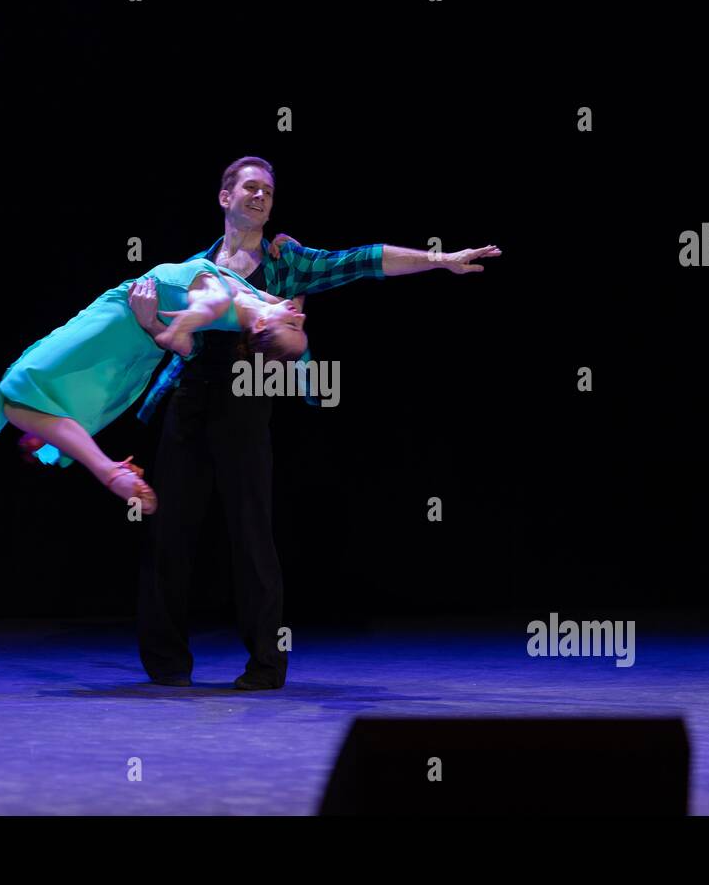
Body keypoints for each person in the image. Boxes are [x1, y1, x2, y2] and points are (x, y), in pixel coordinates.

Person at [136, 155, 498, 689]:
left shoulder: (287, 262)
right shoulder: (192, 269)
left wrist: (440, 259)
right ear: (225, 197)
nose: (261, 196)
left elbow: (365, 260)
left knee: (251, 533)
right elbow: (144, 331)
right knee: (171, 531)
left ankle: (266, 663)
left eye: (268, 191)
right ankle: (166, 663)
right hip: (189, 401)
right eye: (250, 187)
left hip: (245, 400)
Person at [0, 257, 308, 513]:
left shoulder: (225, 303)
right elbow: (294, 294)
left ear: (262, 326)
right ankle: (69, 449)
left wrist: (170, 328)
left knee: (18, 388)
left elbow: (205, 311)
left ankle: (109, 472)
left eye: (293, 324)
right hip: (136, 346)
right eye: (299, 325)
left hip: (121, 319)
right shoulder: (261, 303)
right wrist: (288, 248)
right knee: (52, 397)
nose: (301, 317)